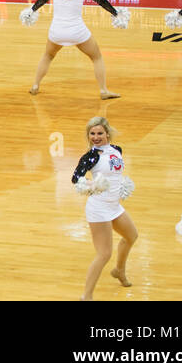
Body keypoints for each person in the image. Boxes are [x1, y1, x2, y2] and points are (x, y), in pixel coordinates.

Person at [22, 0, 122, 99]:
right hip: (77, 32)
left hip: (56, 32)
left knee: (48, 56)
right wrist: (116, 13)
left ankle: (35, 85)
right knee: (97, 57)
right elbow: (101, 1)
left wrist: (31, 11)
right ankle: (103, 90)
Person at [71, 116, 137, 300]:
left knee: (131, 236)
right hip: (99, 208)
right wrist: (91, 185)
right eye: (92, 134)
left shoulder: (117, 150)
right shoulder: (90, 156)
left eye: (99, 133)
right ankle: (87, 295)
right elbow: (76, 178)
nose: (96, 137)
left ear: (107, 133)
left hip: (114, 206)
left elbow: (116, 174)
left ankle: (119, 270)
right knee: (104, 253)